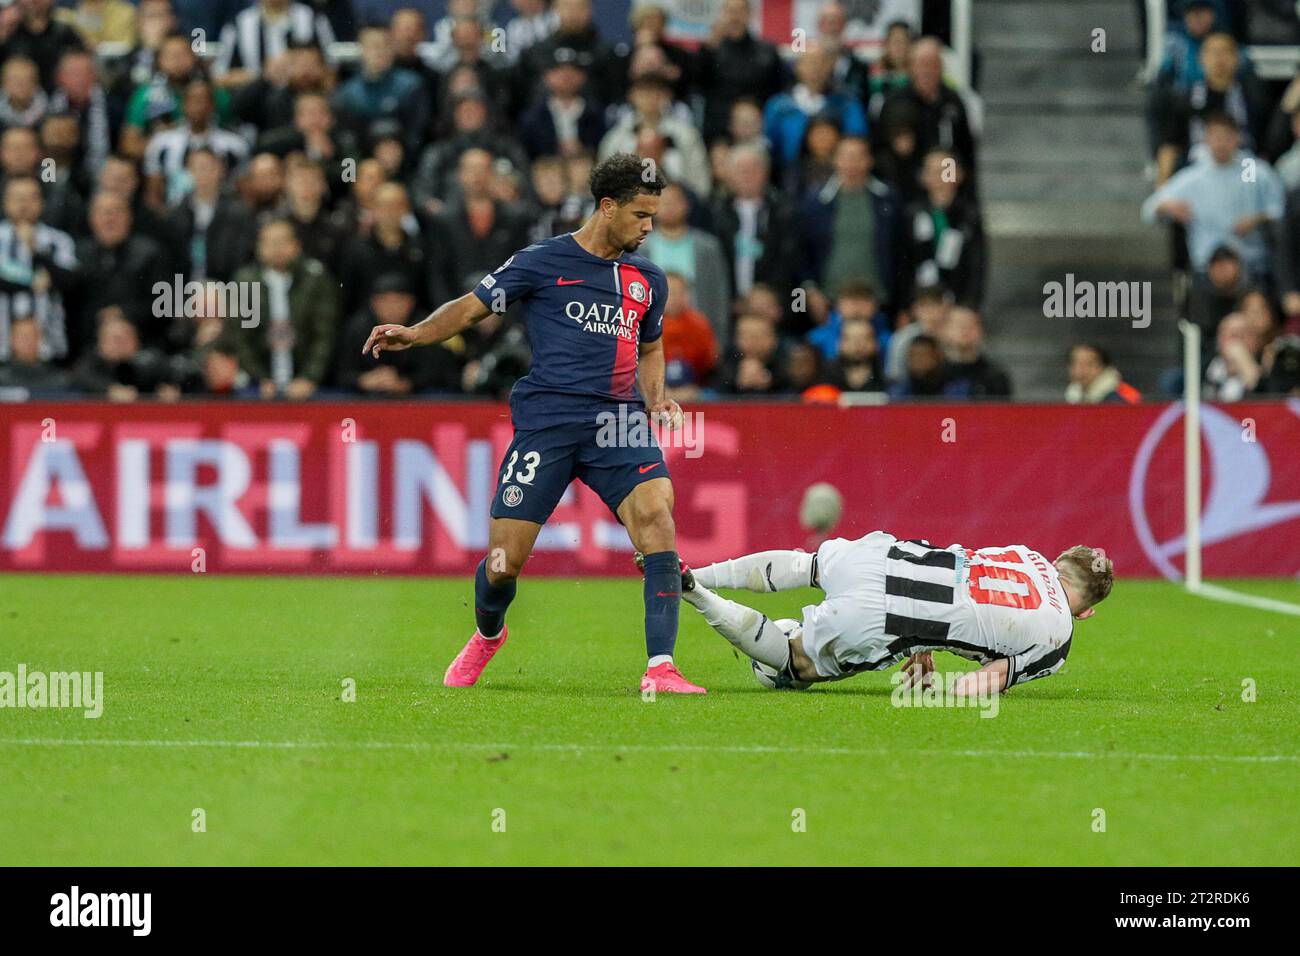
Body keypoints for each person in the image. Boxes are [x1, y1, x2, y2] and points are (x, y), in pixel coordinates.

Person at [362, 153, 704, 695]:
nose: (648, 227)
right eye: (640, 215)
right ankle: (487, 634)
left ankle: (661, 666)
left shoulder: (649, 280)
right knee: (503, 563)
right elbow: (472, 308)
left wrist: (657, 399)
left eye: (654, 216)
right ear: (607, 206)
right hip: (548, 422)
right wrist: (416, 333)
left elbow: (652, 345)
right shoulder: (542, 261)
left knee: (657, 516)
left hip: (617, 422)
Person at [667, 533, 1112, 692]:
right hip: (884, 619)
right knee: (793, 660)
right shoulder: (1057, 638)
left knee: (806, 565)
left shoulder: (1023, 553)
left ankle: (698, 570)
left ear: (1055, 563)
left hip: (885, 555)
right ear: (1086, 613)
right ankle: (695, 593)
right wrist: (933, 688)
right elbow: (977, 685)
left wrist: (924, 645)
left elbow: (956, 568)